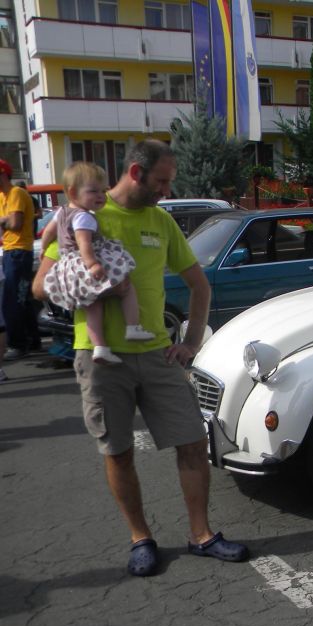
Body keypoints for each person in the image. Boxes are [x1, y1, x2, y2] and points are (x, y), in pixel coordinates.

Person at [32, 140, 249, 577]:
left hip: (156, 353)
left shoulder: (160, 221)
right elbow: (40, 287)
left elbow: (199, 286)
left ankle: (201, 535)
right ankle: (140, 538)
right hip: (98, 357)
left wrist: (190, 343)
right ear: (135, 172)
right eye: (161, 182)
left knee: (192, 440)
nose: (166, 191)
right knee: (118, 451)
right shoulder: (79, 214)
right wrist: (95, 285)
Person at [40, 162, 155, 365]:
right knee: (126, 283)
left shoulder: (62, 211)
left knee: (93, 306)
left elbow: (48, 231)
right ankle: (133, 327)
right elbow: (84, 243)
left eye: (103, 190)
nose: (101, 195)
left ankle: (100, 347)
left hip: (69, 265)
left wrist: (43, 248)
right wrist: (93, 264)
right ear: (73, 192)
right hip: (85, 262)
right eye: (93, 191)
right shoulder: (85, 217)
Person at [1, 159, 40, 360]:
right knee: (21, 298)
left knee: (11, 300)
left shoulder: (16, 193)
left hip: (18, 251)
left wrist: (3, 221)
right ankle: (32, 340)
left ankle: (18, 344)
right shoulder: (3, 195)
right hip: (12, 250)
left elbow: (14, 223)